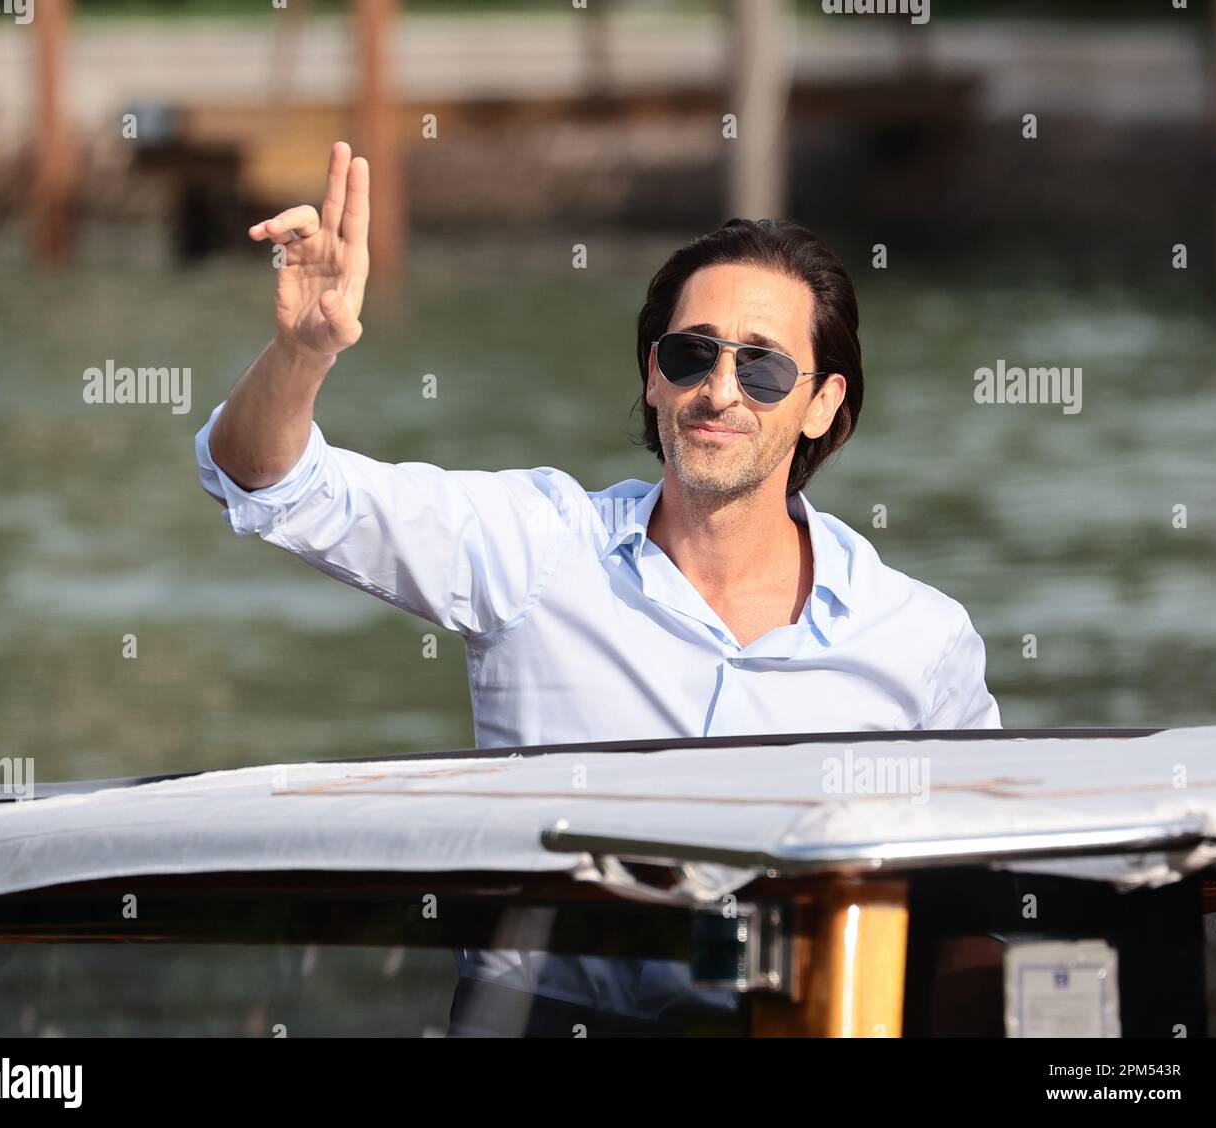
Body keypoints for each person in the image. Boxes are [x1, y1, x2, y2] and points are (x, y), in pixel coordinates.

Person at [196, 142, 1000, 1034]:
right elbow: (272, 481)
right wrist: (301, 354)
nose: (720, 391)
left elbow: (976, 915)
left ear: (821, 404)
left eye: (763, 367)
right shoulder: (537, 546)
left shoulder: (920, 639)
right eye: (691, 355)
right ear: (655, 375)